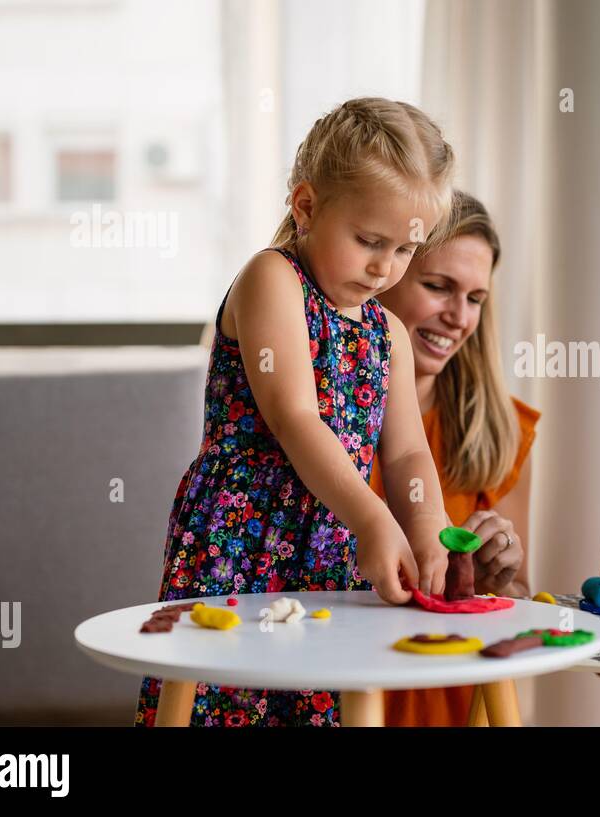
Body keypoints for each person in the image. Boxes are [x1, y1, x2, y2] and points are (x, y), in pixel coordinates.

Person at [134, 97, 456, 726]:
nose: (384, 267)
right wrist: (372, 518)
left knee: (316, 704)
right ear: (306, 206)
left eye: (405, 251)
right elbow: (295, 418)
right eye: (369, 241)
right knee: (225, 699)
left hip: (334, 543)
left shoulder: (387, 332)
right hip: (240, 538)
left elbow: (408, 452)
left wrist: (426, 525)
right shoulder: (271, 278)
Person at [372, 191, 540, 726]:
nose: (458, 317)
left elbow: (516, 596)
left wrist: (501, 574)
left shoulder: (502, 430)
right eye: (438, 286)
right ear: (386, 271)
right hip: (331, 684)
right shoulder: (316, 413)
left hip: (445, 697)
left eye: (475, 298)